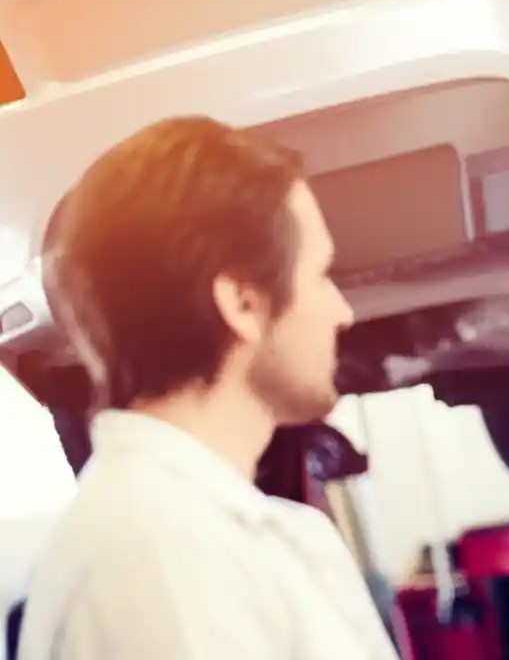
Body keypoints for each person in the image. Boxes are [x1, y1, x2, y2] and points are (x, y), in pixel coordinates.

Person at [17, 117, 398, 659]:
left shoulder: (193, 534)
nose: (343, 311)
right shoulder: (155, 562)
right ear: (242, 304)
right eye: (321, 275)